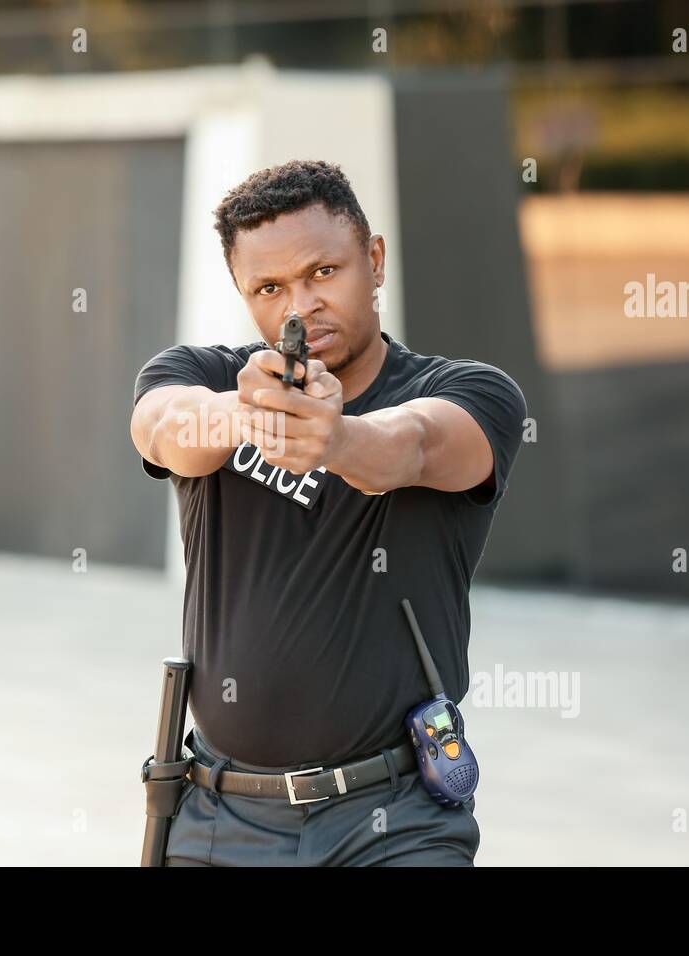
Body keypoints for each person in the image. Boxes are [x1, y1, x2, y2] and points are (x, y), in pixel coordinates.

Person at [129, 159, 527, 866]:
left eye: (322, 272)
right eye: (270, 288)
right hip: (221, 816)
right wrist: (246, 412)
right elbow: (162, 428)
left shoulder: (471, 391)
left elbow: (414, 444)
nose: (300, 308)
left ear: (374, 261)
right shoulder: (203, 377)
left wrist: (336, 439)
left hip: (395, 821)